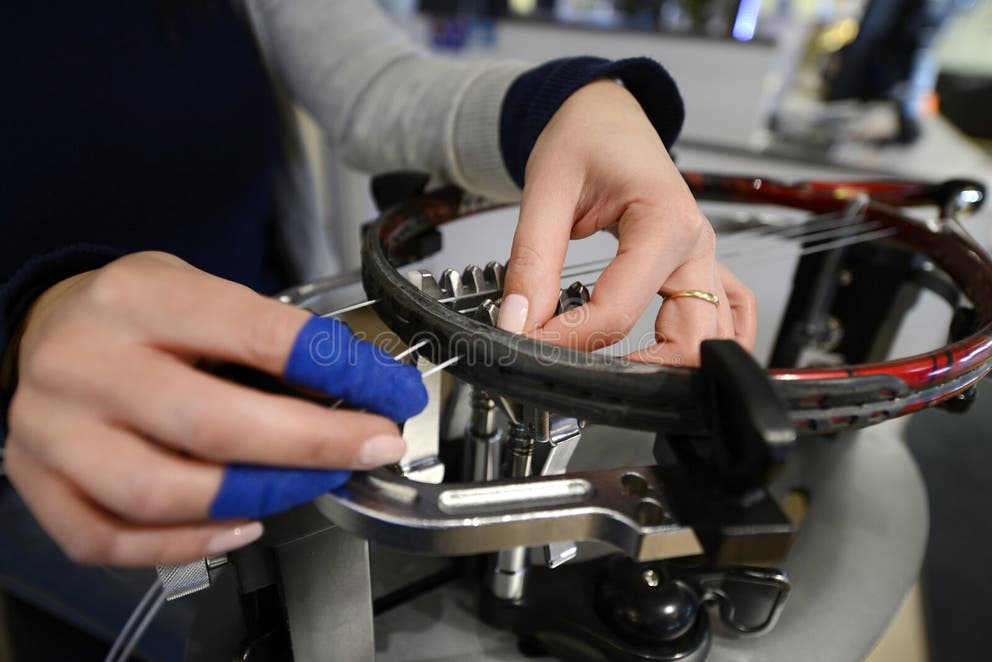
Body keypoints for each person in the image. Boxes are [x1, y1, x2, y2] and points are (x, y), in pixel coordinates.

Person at [0, 0, 755, 651]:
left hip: (305, 395)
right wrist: (26, 323)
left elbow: (378, 88)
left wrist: (572, 102)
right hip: (48, 479)